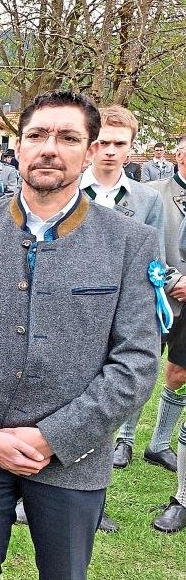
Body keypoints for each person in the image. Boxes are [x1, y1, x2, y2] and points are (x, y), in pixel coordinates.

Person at [0, 90, 161, 579]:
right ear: (19, 145)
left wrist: (54, 436)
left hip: (75, 457)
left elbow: (136, 361)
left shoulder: (129, 242)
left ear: (92, 150)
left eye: (68, 137)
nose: (49, 148)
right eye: (37, 135)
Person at [78, 106, 164, 475]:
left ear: (130, 148)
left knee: (106, 399)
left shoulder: (147, 201)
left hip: (118, 310)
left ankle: (94, 499)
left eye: (119, 143)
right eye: (102, 143)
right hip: (69, 307)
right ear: (90, 146)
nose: (110, 151)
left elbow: (154, 263)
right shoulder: (70, 190)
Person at [150, 135, 186, 533]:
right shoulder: (153, 193)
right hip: (168, 296)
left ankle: (183, 497)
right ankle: (142, 442)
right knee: (157, 371)